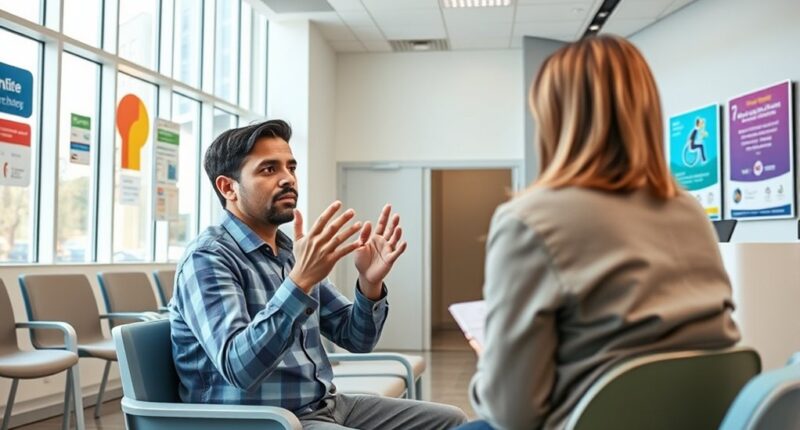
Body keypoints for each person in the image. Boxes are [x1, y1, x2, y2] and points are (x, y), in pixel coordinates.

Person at [459, 35, 740, 430]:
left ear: (554, 119)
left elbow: (511, 412)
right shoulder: (690, 210)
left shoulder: (528, 220)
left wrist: (491, 363)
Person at [170, 119, 467, 430]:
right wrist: (299, 282)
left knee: (453, 422)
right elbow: (240, 368)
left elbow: (357, 340)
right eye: (269, 169)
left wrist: (369, 285)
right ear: (228, 187)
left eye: (291, 167)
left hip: (324, 406)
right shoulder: (207, 257)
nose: (288, 179)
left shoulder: (290, 252)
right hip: (263, 420)